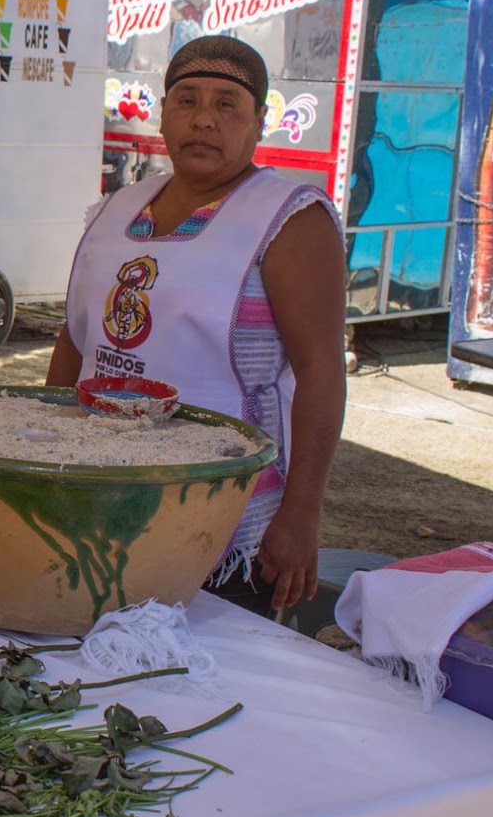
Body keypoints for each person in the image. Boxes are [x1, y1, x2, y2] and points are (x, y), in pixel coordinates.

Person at [45, 35, 346, 615]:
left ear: (260, 120)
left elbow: (322, 374)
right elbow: (74, 339)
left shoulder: (289, 220)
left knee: (201, 677)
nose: (204, 119)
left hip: (222, 517)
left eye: (227, 103)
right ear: (162, 112)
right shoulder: (117, 209)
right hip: (96, 496)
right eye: (186, 100)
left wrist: (301, 514)